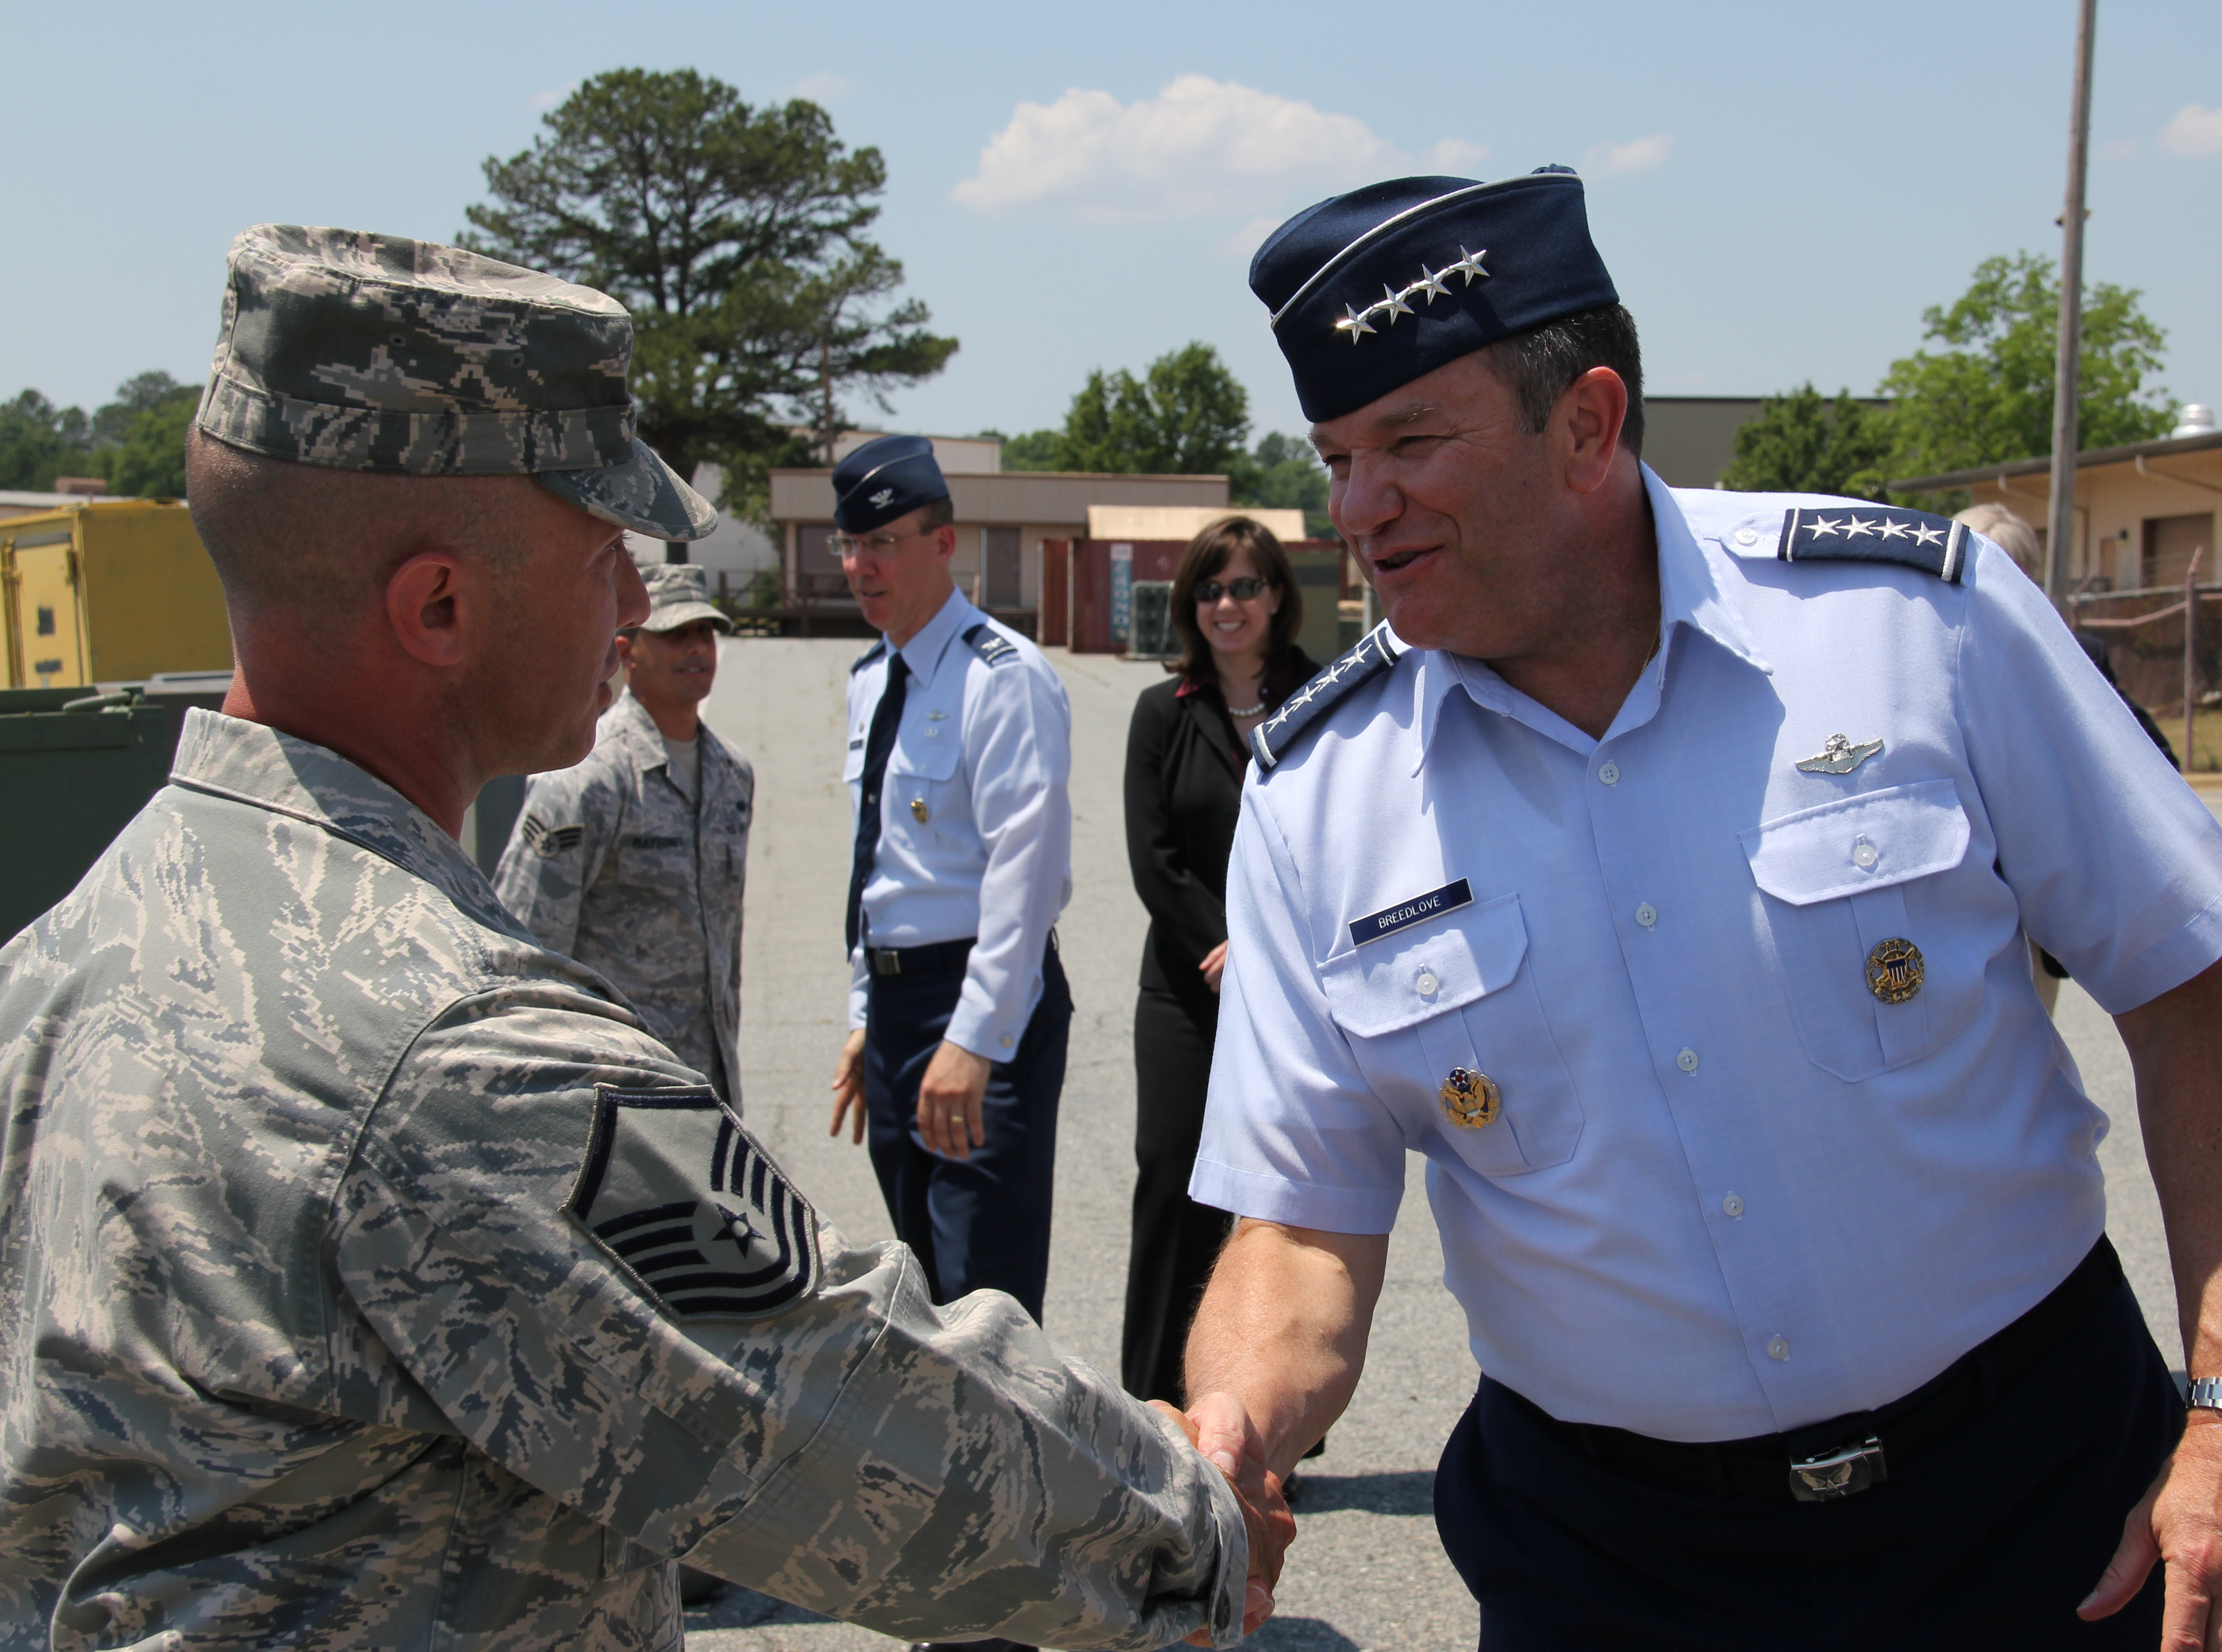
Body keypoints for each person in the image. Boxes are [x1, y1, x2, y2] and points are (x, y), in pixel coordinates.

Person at [0, 225, 1291, 1652]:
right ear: (439, 605)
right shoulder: (450, 1050)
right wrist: (1185, 1521)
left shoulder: (63, 953)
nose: (632, 608)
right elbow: (827, 1400)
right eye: (606, 552)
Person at [1179, 169, 2222, 1650]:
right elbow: (1298, 1227)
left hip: (2041, 1513)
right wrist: (1237, 1425)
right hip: (1615, 1571)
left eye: (1411, 442)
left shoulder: (1912, 627)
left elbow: (2193, 981)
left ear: (1587, 425)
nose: (1358, 507)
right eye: (1340, 456)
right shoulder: (1314, 801)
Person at [826, 435, 1075, 1353]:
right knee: (922, 1290)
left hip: (977, 1009)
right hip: (897, 1011)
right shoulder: (870, 681)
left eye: (882, 543)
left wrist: (972, 1041)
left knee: (986, 1305)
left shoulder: (1002, 680)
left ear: (944, 544)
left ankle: (1022, 1496)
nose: (859, 566)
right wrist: (864, 1011)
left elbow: (1027, 875)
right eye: (847, 545)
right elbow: (879, 870)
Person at [1121, 515, 1317, 1407]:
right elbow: (1151, 859)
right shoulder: (1162, 714)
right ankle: (1158, 1407)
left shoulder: (1327, 697)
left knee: (1285, 1203)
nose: (1226, 605)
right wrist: (1218, 941)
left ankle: (1271, 1420)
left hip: (1297, 994)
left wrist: (1265, 947)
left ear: (1276, 595)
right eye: (1208, 590)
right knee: (1173, 1182)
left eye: (1242, 586)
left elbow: (1343, 843)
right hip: (1185, 990)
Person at [495, 562, 752, 1101]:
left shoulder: (732, 775)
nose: (697, 649)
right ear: (627, 650)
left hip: (709, 1082)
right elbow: (526, 950)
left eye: (704, 632)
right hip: (617, 1087)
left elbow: (726, 943)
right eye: (674, 634)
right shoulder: (586, 778)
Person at [1954, 502, 2182, 1014]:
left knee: (2032, 1031)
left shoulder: (2071, 656)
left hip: (2033, 897)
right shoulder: (1924, 660)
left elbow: (2153, 759)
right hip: (1959, 885)